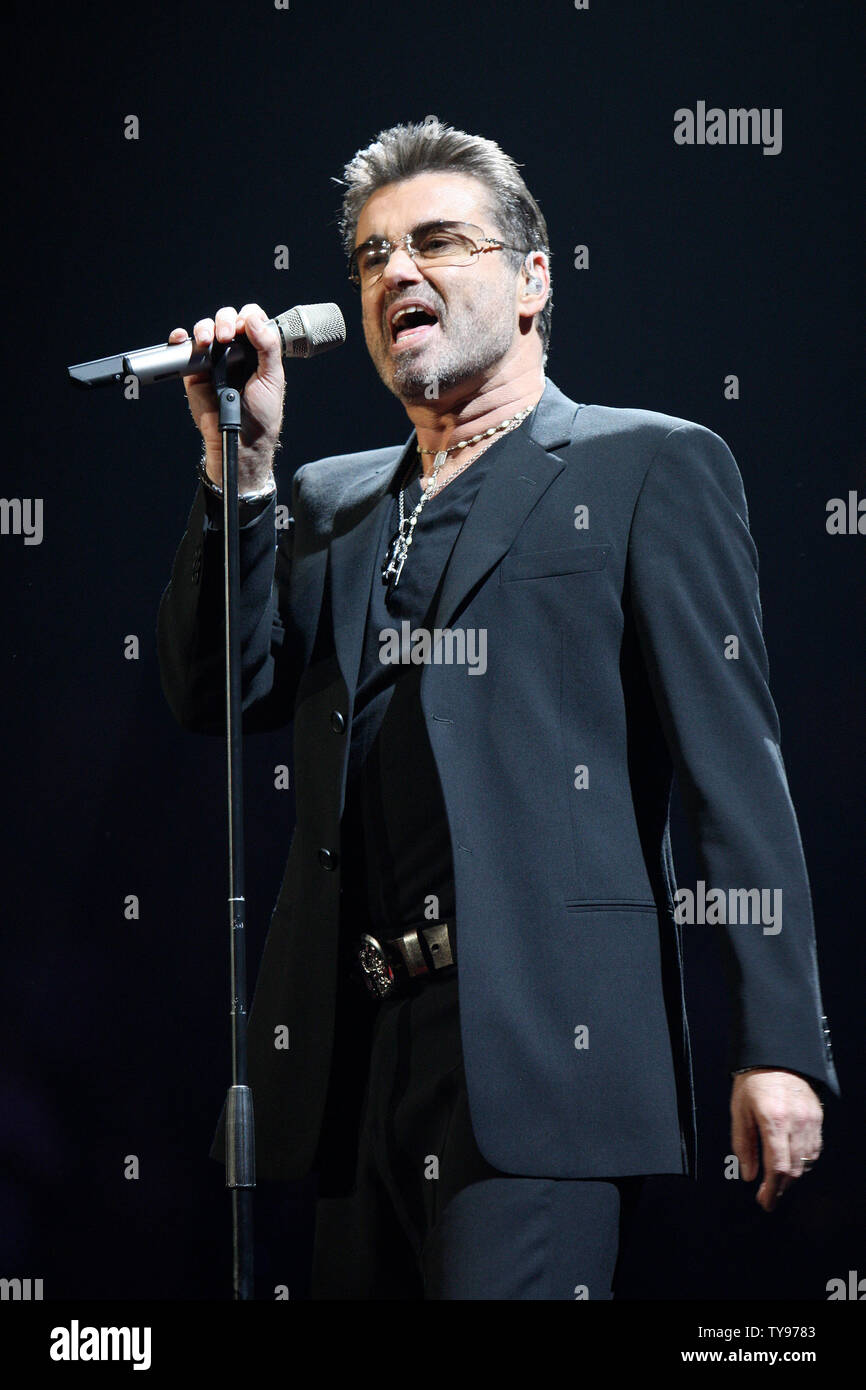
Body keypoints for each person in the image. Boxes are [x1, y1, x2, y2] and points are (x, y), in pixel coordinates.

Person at [156, 117, 839, 1300]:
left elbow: (737, 772)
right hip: (352, 1048)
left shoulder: (646, 466)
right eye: (370, 258)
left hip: (538, 1049)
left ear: (531, 281)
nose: (394, 275)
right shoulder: (327, 499)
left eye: (434, 243)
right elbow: (218, 694)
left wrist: (777, 1044)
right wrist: (243, 470)